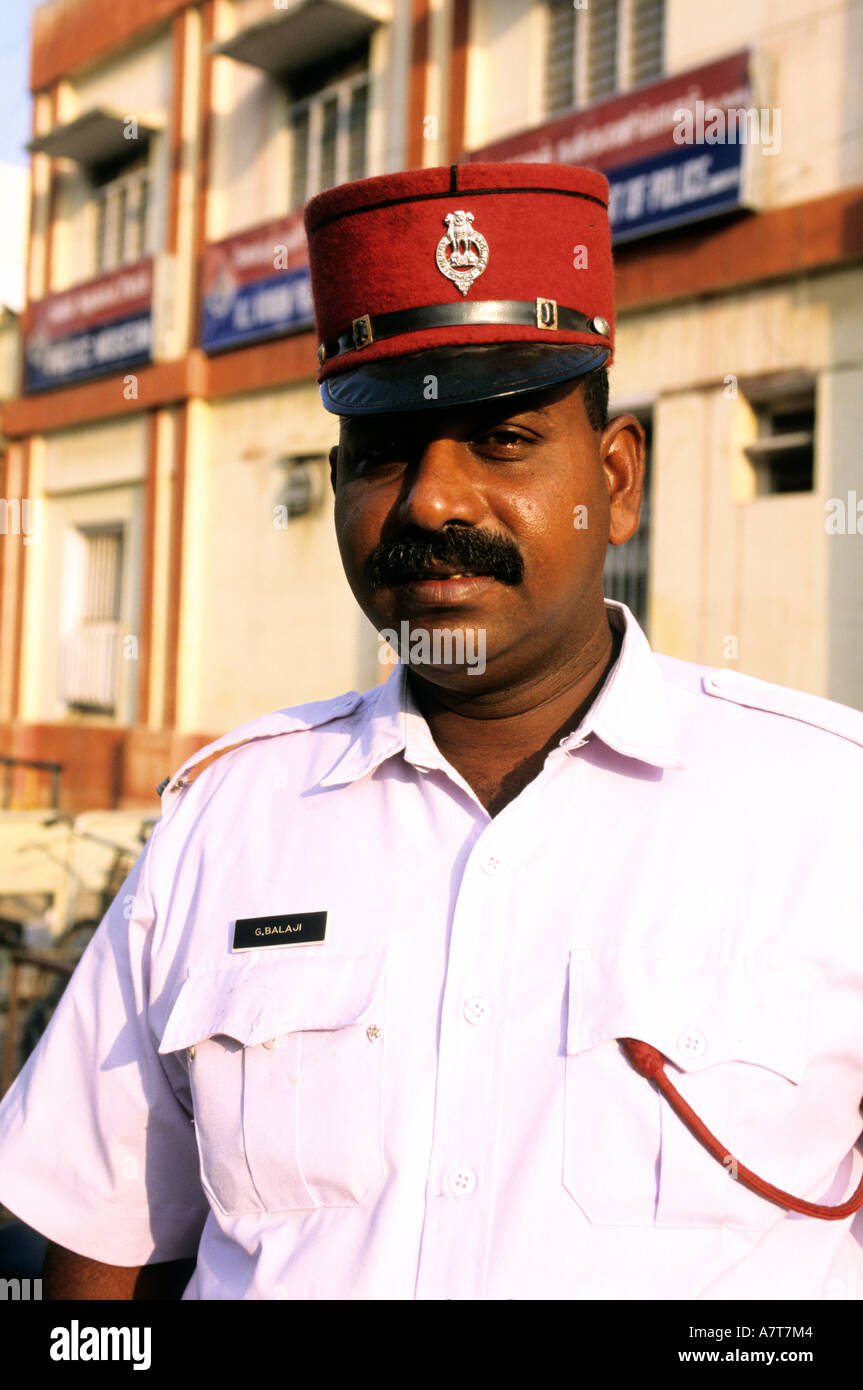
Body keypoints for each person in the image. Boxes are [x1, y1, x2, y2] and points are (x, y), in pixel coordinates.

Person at [1, 162, 862, 1301]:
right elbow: (97, 1244)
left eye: (500, 441)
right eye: (386, 453)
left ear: (612, 482)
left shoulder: (822, 810)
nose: (432, 502)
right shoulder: (227, 821)